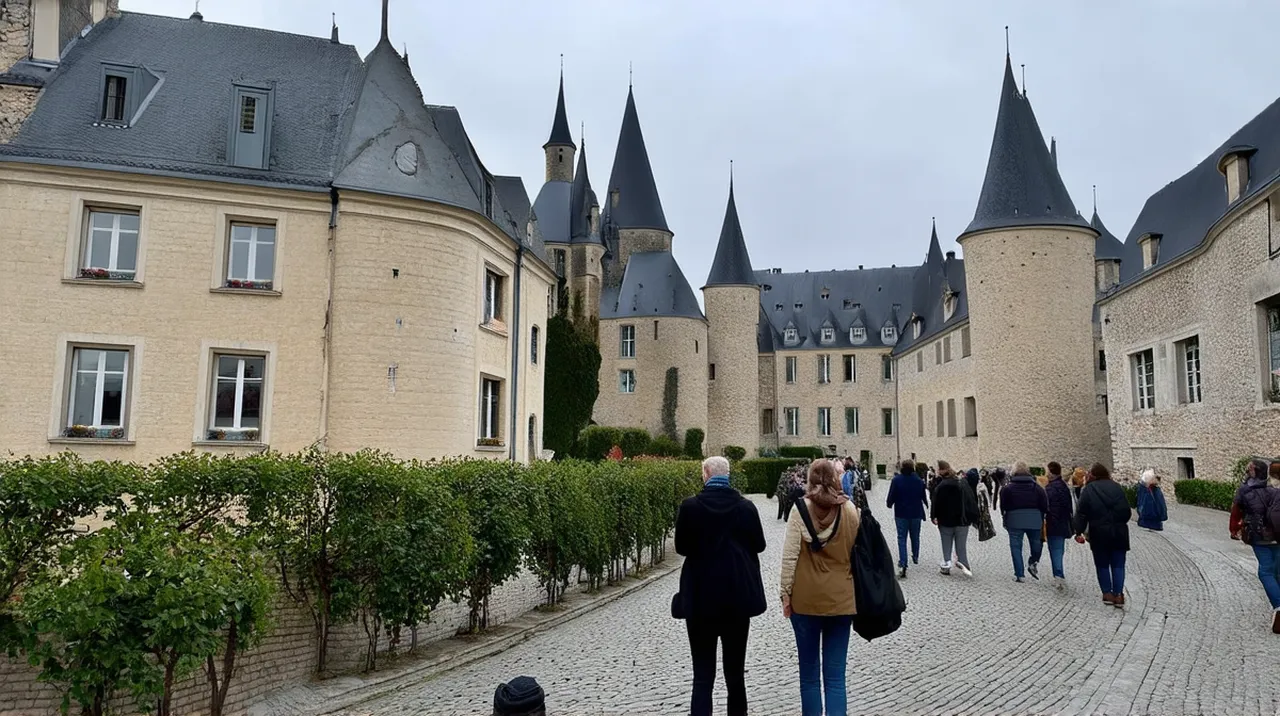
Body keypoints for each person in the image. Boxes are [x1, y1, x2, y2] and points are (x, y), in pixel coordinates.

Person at [674, 456, 768, 716]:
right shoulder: (746, 508)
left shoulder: (690, 507)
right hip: (736, 600)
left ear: (705, 474)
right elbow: (759, 544)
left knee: (702, 676)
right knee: (735, 675)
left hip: (701, 599)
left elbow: (681, 547)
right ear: (728, 476)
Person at [780, 459, 860, 716]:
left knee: (809, 677)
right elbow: (855, 553)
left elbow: (790, 556)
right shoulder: (849, 510)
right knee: (836, 678)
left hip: (806, 599)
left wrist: (785, 593)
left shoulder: (800, 510)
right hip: (841, 599)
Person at [1229, 459, 1279, 633]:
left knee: (1265, 571)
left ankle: (1279, 606)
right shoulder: (1273, 491)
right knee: (1276, 571)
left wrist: (1234, 529)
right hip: (1278, 536)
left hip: (1259, 536)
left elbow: (1236, 511)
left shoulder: (1244, 490)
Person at [1073, 463, 1133, 608]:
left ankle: (1107, 593)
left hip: (1099, 532)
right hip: (1119, 532)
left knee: (1102, 564)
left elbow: (1082, 513)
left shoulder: (1089, 490)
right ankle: (1118, 594)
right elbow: (1126, 511)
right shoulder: (1117, 487)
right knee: (1118, 565)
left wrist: (1078, 531)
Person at [999, 461, 1048, 583]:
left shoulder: (1007, 489)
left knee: (1016, 547)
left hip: (1014, 519)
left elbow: (1003, 506)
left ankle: (1019, 574)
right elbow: (1045, 506)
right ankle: (1033, 561)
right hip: (1034, 519)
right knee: (1036, 543)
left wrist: (1004, 517)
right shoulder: (1038, 488)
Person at [931, 461, 977, 576]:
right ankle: (965, 565)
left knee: (946, 545)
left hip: (946, 521)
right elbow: (971, 500)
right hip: (962, 520)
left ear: (941, 470)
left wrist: (933, 516)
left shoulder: (941, 486)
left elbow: (935, 503)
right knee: (961, 546)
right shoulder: (962, 483)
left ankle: (946, 566)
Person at [886, 459, 928, 579]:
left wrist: (889, 503)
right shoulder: (918, 480)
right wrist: (926, 504)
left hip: (901, 512)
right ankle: (915, 555)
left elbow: (892, 495)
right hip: (916, 513)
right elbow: (923, 495)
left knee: (901, 538)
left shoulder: (896, 480)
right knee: (915, 536)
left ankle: (903, 563)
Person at [1044, 461, 1074, 591]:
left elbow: (1046, 506)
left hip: (1053, 523)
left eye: (1047, 471)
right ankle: (1059, 574)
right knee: (1059, 550)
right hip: (1063, 522)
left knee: (1055, 550)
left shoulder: (1050, 488)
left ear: (1051, 472)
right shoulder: (1064, 486)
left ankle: (1058, 576)